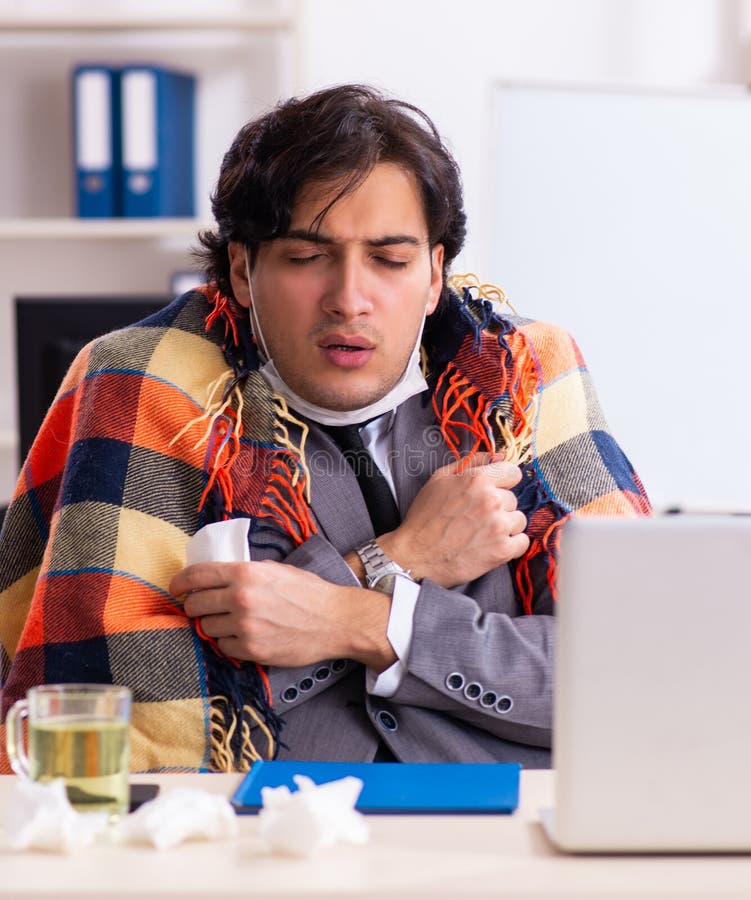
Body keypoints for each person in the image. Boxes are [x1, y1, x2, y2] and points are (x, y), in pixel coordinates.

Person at [0, 84, 650, 773]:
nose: (348, 299)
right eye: (307, 258)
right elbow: (117, 720)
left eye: (390, 261)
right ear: (244, 271)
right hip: (248, 845)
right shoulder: (145, 381)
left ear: (435, 277)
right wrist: (399, 559)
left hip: (508, 835)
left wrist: (362, 619)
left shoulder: (523, 373)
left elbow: (631, 674)